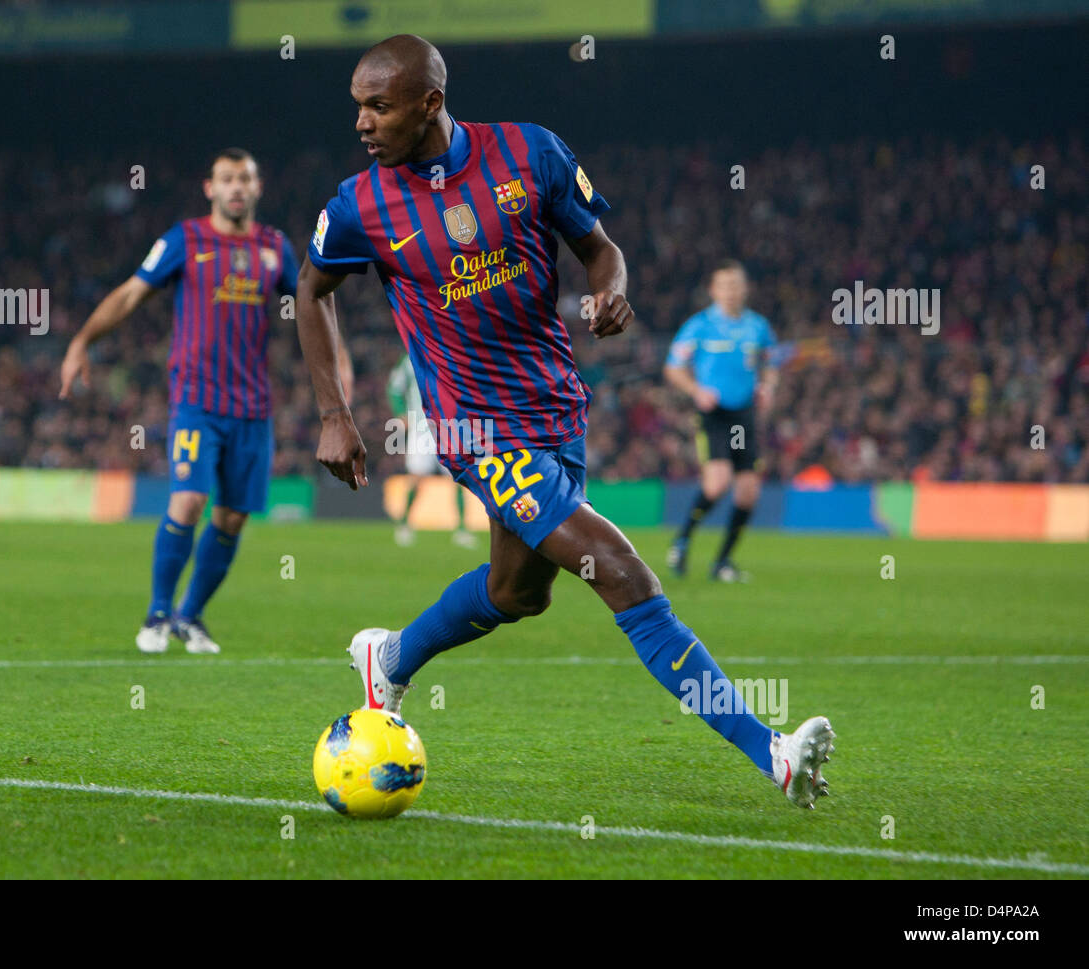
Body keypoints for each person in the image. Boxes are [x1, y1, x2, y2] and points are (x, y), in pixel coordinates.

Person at [294, 35, 834, 808]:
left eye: (378, 106)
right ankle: (774, 752)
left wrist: (609, 289)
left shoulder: (530, 154)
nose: (362, 122)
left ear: (430, 103)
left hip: (554, 408)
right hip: (476, 427)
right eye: (358, 105)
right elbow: (311, 290)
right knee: (621, 571)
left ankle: (392, 656)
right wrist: (333, 412)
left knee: (519, 593)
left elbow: (599, 247)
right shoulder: (359, 205)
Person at [60, 149, 348, 654]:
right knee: (190, 499)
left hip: (253, 409)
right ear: (209, 188)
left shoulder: (275, 247)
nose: (237, 187)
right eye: (227, 179)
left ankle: (190, 617)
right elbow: (131, 293)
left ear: (258, 188)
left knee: (233, 516)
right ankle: (156, 613)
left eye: (245, 179)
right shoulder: (184, 240)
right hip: (196, 402)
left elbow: (313, 300)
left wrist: (338, 358)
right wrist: (83, 341)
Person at [664, 260, 778, 582]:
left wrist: (768, 385)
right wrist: (696, 390)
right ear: (714, 290)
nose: (731, 291)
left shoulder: (758, 327)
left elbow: (770, 364)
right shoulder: (699, 326)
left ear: (745, 289)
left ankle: (722, 562)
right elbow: (673, 368)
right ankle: (682, 539)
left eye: (736, 285)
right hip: (714, 415)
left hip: (743, 416)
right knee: (717, 482)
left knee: (747, 491)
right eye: (725, 286)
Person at [386, 353, 477, 548]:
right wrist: (401, 413)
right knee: (417, 479)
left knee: (458, 479)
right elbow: (394, 389)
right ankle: (404, 525)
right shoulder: (410, 358)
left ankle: (462, 529)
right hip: (422, 430)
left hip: (449, 428)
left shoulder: (450, 355)